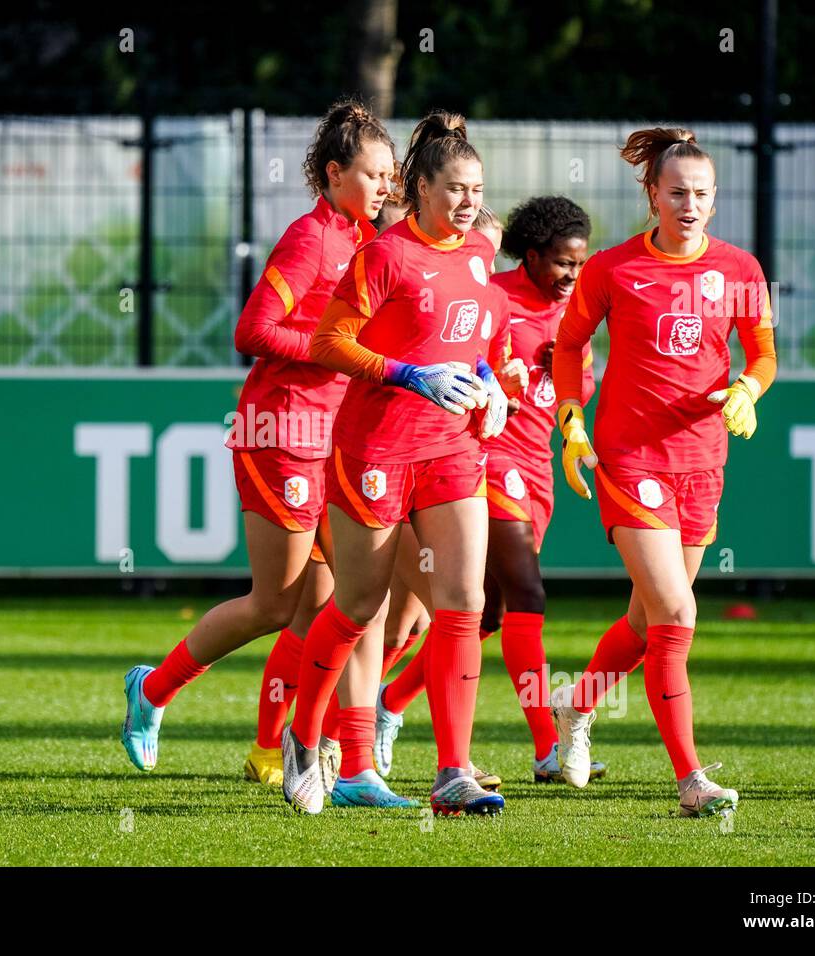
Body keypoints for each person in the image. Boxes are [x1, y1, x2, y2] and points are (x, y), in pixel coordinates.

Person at [120, 101, 396, 794]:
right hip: (283, 430)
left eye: (392, 175)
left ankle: (332, 761)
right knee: (277, 605)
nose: (387, 186)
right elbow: (253, 330)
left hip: (337, 434)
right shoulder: (311, 239)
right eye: (375, 174)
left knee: (342, 610)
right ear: (335, 174)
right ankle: (153, 688)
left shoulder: (370, 243)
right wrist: (337, 353)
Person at [280, 110, 511, 816]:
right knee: (357, 606)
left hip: (451, 447)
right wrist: (407, 374)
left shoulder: (477, 254)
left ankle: (453, 773)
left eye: (477, 189)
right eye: (455, 189)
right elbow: (327, 342)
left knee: (465, 602)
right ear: (419, 187)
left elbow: (475, 333)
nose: (469, 202)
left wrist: (490, 382)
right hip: (375, 447)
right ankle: (302, 736)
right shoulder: (385, 255)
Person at [550, 127, 777, 818]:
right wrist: (572, 422)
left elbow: (764, 354)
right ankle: (691, 781)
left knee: (647, 622)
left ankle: (574, 706)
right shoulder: (612, 269)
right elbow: (568, 345)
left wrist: (748, 390)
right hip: (631, 459)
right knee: (677, 615)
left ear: (714, 201)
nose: (689, 204)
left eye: (701, 194)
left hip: (703, 461)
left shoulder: (739, 269)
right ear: (651, 194)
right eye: (676, 192)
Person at [374, 196, 609, 787]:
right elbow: (458, 355)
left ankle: (388, 704)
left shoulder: (575, 310)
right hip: (486, 457)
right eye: (562, 264)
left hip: (537, 467)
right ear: (530, 257)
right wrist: (500, 375)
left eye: (580, 265)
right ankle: (547, 749)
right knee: (527, 595)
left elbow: (574, 390)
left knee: (482, 616)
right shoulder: (492, 292)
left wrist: (570, 375)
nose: (572, 277)